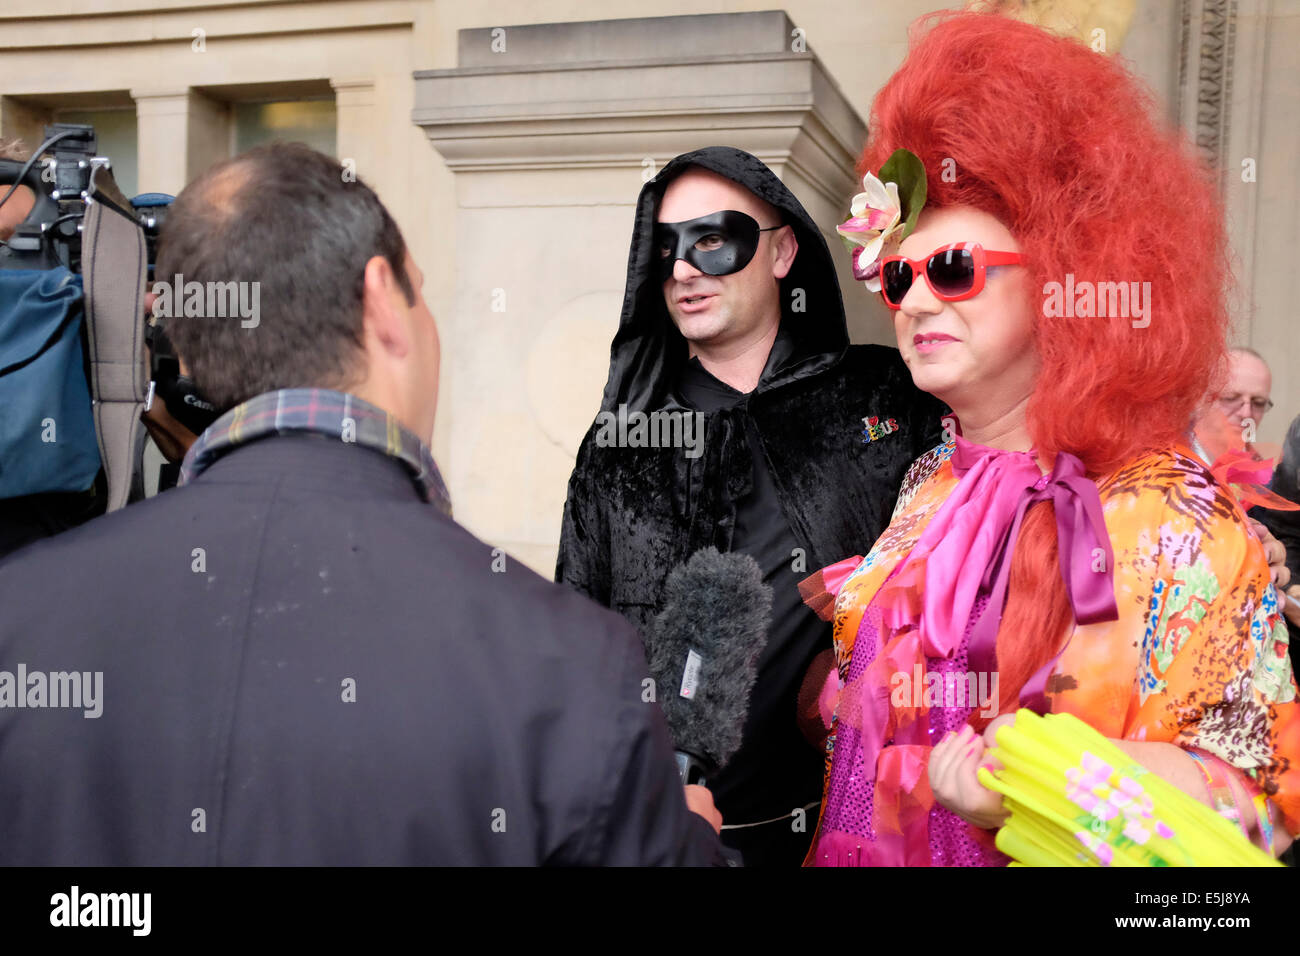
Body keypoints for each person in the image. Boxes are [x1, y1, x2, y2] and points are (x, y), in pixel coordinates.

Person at [0, 142, 725, 866]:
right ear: (383, 300)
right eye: (422, 290)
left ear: (185, 351)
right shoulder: (571, 663)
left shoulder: (19, 617)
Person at [801, 11, 1299, 866]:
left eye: (952, 269)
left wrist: (1031, 789)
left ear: (1067, 277)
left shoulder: (1168, 512)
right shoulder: (930, 478)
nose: (915, 303)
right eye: (896, 274)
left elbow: (1257, 800)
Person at [556, 145, 947, 866]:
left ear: (782, 251)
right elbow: (573, 641)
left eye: (712, 240)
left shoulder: (886, 395)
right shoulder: (620, 444)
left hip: (860, 832)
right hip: (670, 842)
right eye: (665, 248)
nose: (680, 270)